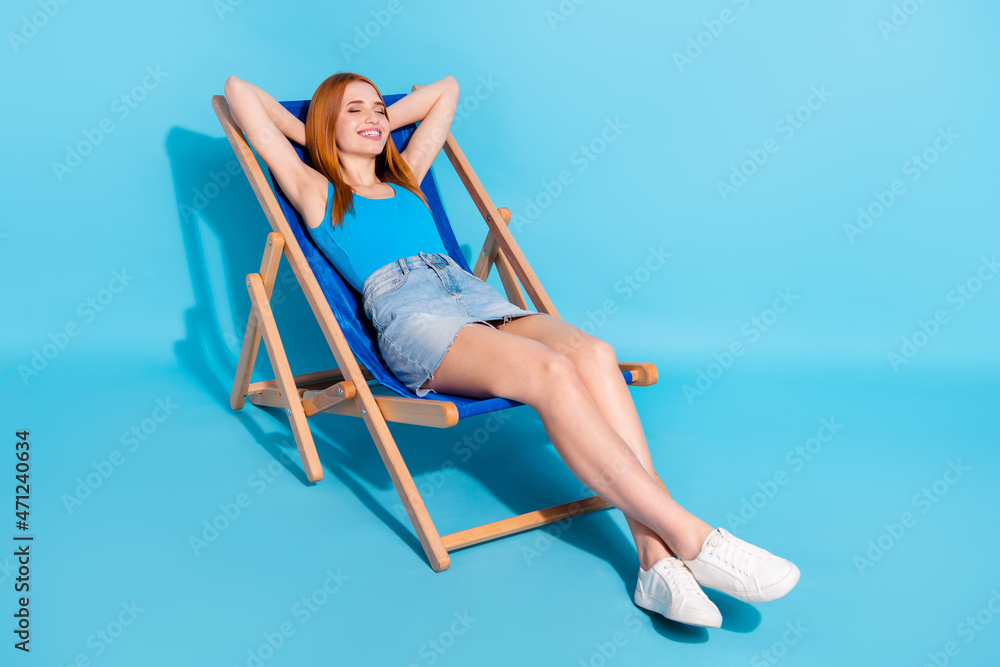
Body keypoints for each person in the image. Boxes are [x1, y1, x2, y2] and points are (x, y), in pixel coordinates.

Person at [223, 72, 800, 628]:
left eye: (379, 108)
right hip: (414, 317)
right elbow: (239, 93)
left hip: (472, 294)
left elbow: (445, 91)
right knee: (549, 371)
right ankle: (695, 538)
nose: (375, 117)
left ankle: (655, 561)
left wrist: (371, 122)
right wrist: (316, 131)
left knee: (594, 354)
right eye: (356, 110)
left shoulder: (407, 179)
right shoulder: (316, 189)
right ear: (325, 124)